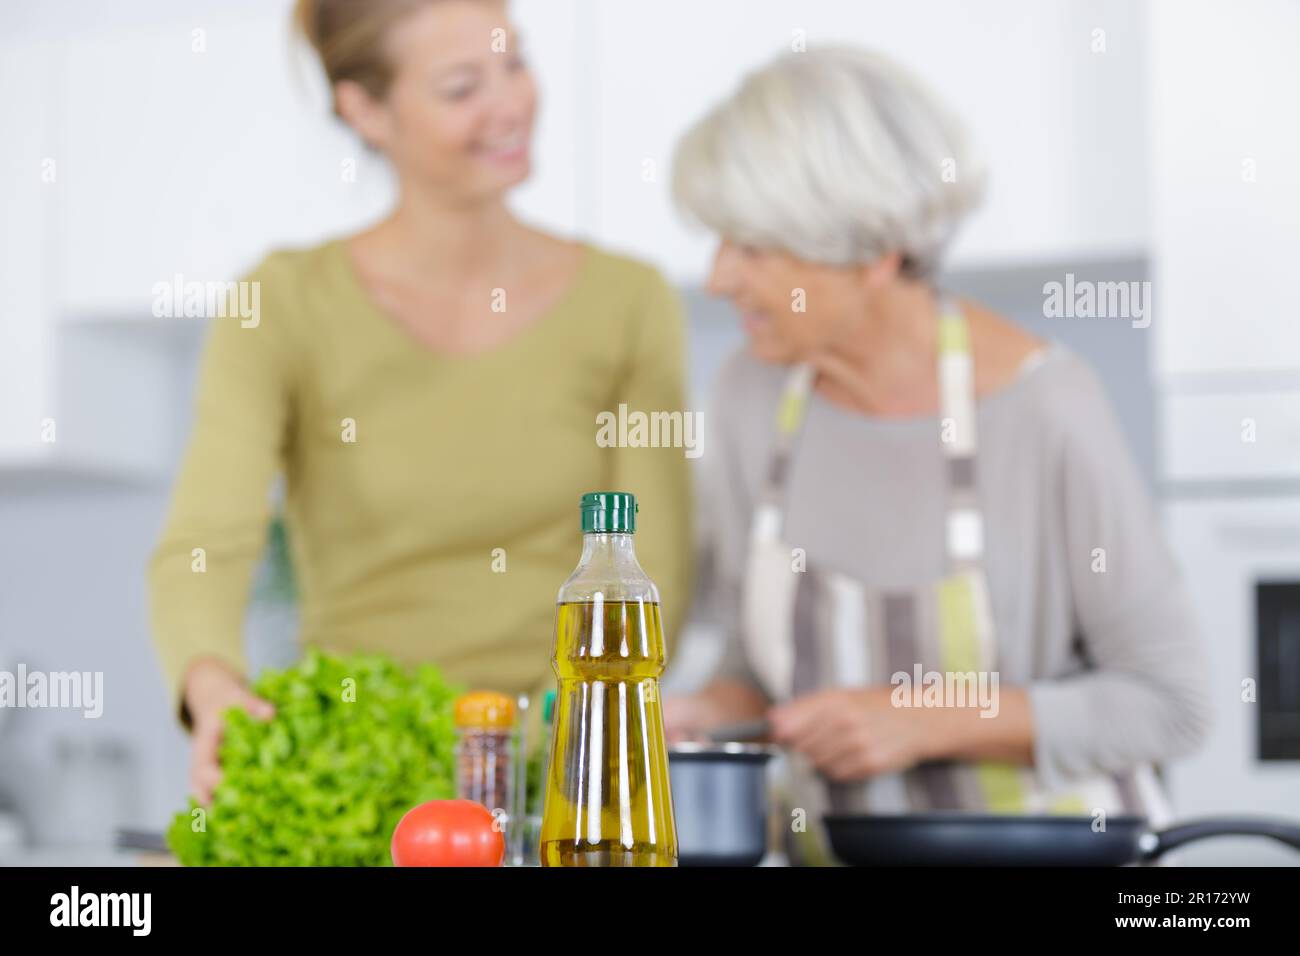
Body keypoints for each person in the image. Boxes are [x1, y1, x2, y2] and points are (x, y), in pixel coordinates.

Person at [664, 47, 1208, 860]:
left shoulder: (1044, 407)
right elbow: (760, 659)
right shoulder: (753, 395)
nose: (717, 278)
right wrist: (710, 711)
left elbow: (1170, 703)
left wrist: (924, 720)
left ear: (873, 250)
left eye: (752, 247)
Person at [150, 0, 693, 803]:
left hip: (565, 773)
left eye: (515, 63)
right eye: (461, 86)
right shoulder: (283, 302)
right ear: (365, 111)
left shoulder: (628, 302)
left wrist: (527, 761)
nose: (510, 103)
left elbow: (654, 571)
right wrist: (211, 683)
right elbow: (206, 540)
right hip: (356, 773)